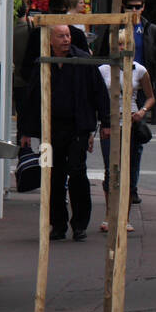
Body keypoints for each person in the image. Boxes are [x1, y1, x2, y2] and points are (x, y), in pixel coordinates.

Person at [20, 24, 111, 241]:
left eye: (68, 35)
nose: (66, 40)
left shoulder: (82, 61)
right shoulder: (42, 62)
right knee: (51, 176)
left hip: (77, 127)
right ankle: (57, 224)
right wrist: (26, 131)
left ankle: (79, 224)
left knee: (77, 172)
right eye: (61, 36)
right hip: (48, 129)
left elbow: (99, 93)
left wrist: (106, 122)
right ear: (50, 40)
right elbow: (30, 99)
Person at [96, 0, 156, 203]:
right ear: (124, 7)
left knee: (135, 143)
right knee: (111, 141)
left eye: (138, 7)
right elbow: (102, 57)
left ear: (144, 7)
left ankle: (132, 187)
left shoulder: (151, 30)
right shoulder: (115, 28)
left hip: (139, 87)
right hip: (116, 87)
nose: (134, 10)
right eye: (131, 7)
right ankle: (115, 185)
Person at [96, 26, 155, 233]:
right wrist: (101, 122)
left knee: (128, 173)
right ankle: (109, 215)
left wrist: (143, 111)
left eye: (125, 44)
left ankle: (125, 217)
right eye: (118, 44)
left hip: (131, 123)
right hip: (109, 124)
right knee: (110, 172)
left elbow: (151, 96)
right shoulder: (102, 70)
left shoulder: (140, 70)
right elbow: (96, 99)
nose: (121, 48)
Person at [21, 0, 90, 73]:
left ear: (49, 10)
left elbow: (26, 69)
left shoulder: (37, 34)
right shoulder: (78, 34)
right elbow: (87, 66)